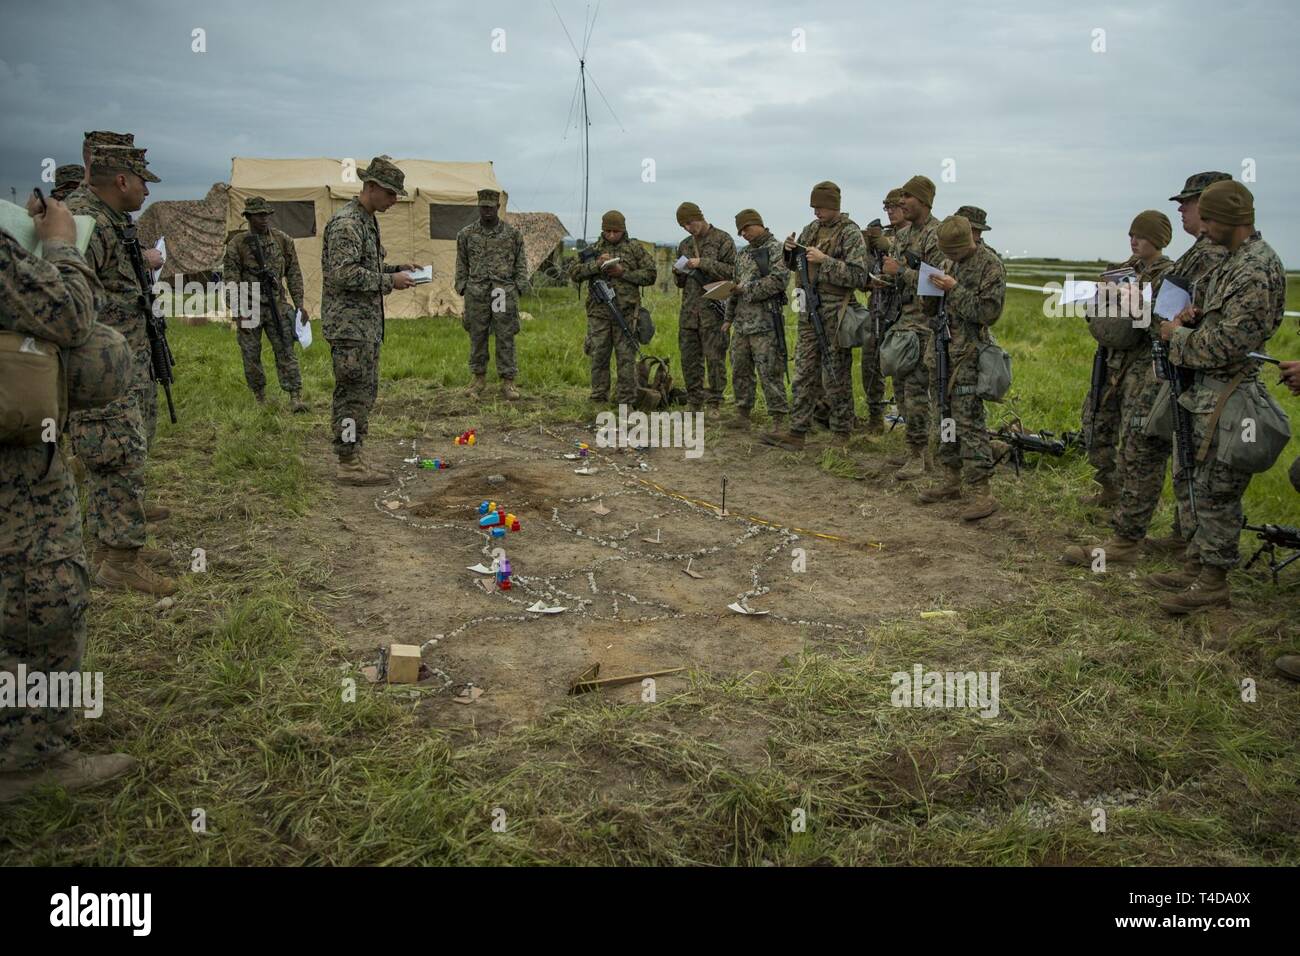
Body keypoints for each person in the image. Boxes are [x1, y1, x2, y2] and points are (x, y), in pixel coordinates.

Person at [1, 195, 138, 802]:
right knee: (40, 592)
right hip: (17, 476)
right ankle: (30, 758)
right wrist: (60, 245)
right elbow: (65, 312)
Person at [1154, 181, 1288, 614]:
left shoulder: (1255, 269)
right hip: (1207, 393)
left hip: (1230, 395)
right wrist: (1194, 314)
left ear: (1230, 221)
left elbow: (1229, 344)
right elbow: (1216, 318)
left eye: (1207, 219)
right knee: (1196, 480)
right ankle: (1196, 566)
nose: (1203, 228)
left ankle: (1213, 582)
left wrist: (1178, 336)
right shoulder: (1234, 261)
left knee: (1217, 490)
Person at [65, 143, 176, 595]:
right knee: (115, 455)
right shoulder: (84, 222)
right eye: (144, 180)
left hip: (118, 362)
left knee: (120, 456)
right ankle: (118, 563)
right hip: (98, 369)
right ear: (122, 181)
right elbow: (69, 302)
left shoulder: (108, 219)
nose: (148, 189)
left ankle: (114, 548)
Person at [321, 155, 417, 486]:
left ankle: (354, 451)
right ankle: (348, 462)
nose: (394, 201)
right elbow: (344, 274)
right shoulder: (348, 223)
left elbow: (364, 268)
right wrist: (390, 282)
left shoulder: (365, 220)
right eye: (391, 194)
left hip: (363, 327)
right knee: (352, 393)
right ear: (372, 187)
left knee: (363, 392)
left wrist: (396, 270)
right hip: (350, 328)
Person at [1078, 211, 1176, 511]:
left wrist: (1137, 306)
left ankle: (1132, 504)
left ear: (1157, 240)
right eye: (1131, 236)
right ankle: (1109, 488)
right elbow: (1094, 314)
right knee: (1095, 425)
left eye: (1141, 236)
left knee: (1135, 438)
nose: (1134, 241)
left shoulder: (1169, 276)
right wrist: (1099, 297)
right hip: (1110, 362)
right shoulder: (1121, 271)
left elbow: (1166, 325)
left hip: (1143, 366)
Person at [761, 180, 868, 451]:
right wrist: (789, 253)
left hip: (836, 312)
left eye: (820, 207)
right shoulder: (812, 229)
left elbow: (858, 275)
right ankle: (797, 430)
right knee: (804, 373)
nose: (816, 212)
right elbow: (798, 263)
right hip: (808, 309)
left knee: (836, 376)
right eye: (814, 207)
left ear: (834, 206)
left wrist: (825, 261)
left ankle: (842, 433)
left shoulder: (851, 233)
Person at [916, 215, 1006, 521]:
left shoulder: (989, 265)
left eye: (953, 252)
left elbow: (988, 313)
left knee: (969, 424)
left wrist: (954, 289)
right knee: (944, 418)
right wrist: (929, 292)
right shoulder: (948, 262)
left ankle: (982, 491)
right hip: (941, 351)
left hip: (968, 356)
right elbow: (930, 309)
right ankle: (951, 479)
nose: (950, 258)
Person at [879, 175, 943, 479]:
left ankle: (920, 456)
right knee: (901, 390)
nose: (901, 202)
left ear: (923, 201)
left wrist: (900, 272)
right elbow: (897, 274)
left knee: (917, 393)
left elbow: (937, 283)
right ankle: (916, 452)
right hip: (903, 322)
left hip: (924, 326)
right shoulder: (904, 235)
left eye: (907, 197)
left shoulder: (937, 234)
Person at [223, 196, 308, 411]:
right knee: (251, 354)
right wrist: (237, 311)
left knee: (286, 350)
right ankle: (260, 397)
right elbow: (231, 279)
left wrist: (300, 304)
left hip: (277, 305)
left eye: (266, 215)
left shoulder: (282, 240)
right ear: (249, 217)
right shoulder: (237, 244)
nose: (264, 219)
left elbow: (294, 273)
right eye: (259, 215)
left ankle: (295, 396)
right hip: (249, 306)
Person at [566, 210, 657, 408]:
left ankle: (626, 401)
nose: (612, 235)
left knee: (626, 359)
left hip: (625, 314)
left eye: (616, 231)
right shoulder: (594, 249)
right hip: (599, 314)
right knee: (599, 355)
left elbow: (650, 275)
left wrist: (623, 273)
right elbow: (573, 272)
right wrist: (596, 266)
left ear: (623, 230)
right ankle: (598, 397)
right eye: (608, 231)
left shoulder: (635, 249)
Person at [455, 188, 528, 400]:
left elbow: (520, 263)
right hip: (477, 293)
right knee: (477, 336)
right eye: (483, 207)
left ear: (498, 207)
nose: (486, 211)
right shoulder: (466, 234)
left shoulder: (512, 235)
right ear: (479, 207)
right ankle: (478, 379)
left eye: (490, 207)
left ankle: (508, 382)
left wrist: (519, 287)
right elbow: (461, 263)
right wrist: (462, 286)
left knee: (505, 336)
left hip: (501, 293)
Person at [724, 208, 791, 433]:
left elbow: (779, 281)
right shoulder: (742, 254)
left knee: (770, 371)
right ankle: (743, 413)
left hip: (765, 323)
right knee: (740, 369)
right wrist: (728, 318)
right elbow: (734, 287)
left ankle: (779, 420)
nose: (744, 234)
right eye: (741, 231)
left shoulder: (776, 248)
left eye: (747, 228)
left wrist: (747, 289)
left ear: (758, 223)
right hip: (742, 324)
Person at [672, 202, 735, 412]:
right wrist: (678, 272)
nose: (688, 228)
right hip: (689, 312)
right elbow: (680, 283)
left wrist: (702, 263)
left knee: (715, 358)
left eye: (690, 223)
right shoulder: (684, 244)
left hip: (713, 310)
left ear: (699, 217)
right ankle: (694, 400)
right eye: (684, 226)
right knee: (689, 358)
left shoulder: (723, 239)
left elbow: (733, 272)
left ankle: (715, 402)